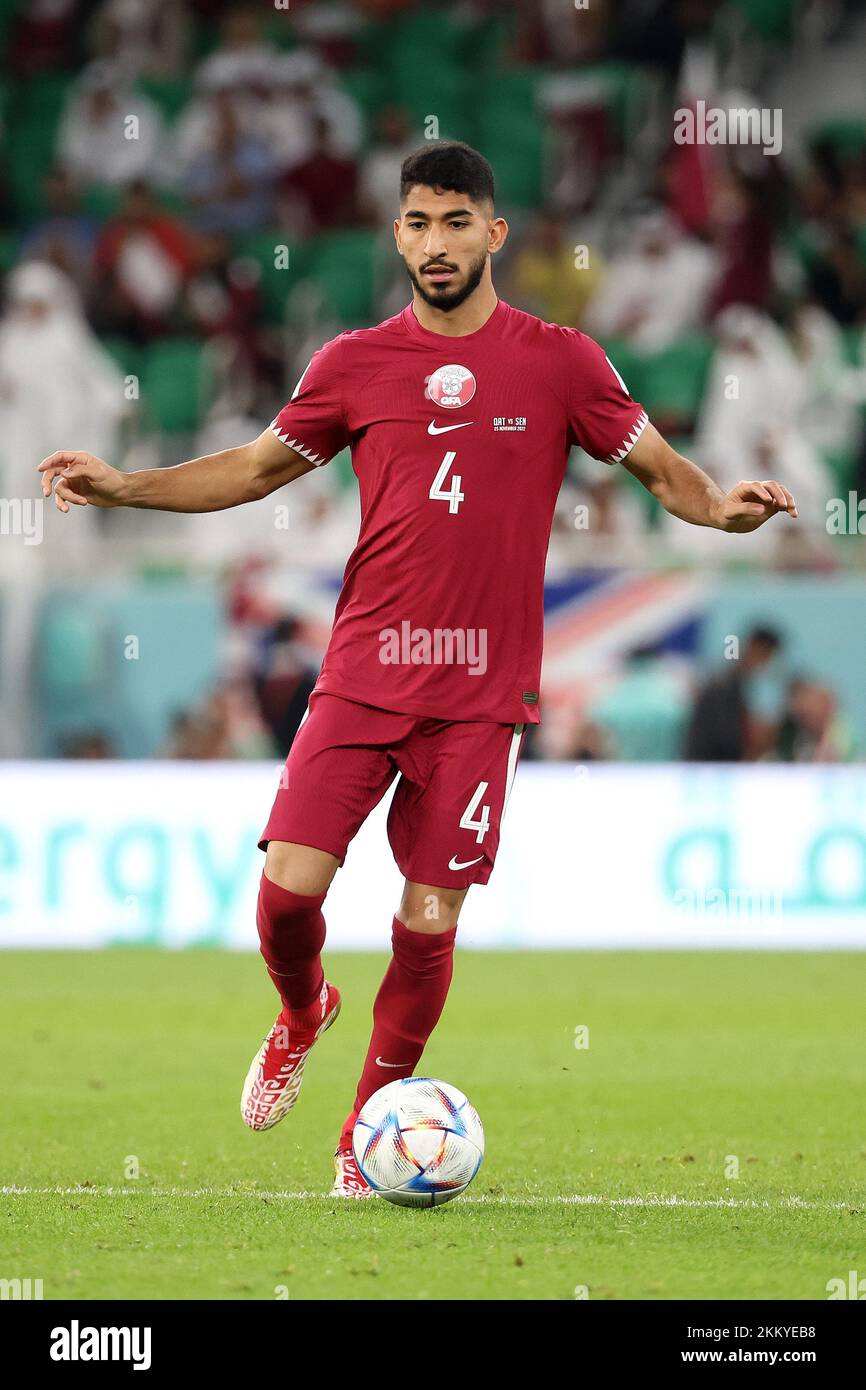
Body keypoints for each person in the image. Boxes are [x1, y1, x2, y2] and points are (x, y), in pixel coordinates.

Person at [38, 141, 799, 1198]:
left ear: (493, 232)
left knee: (427, 919)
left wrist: (718, 508)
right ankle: (304, 1012)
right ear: (394, 234)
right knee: (284, 900)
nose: (433, 243)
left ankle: (363, 1137)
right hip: (362, 673)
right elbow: (255, 469)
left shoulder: (560, 360)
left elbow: (660, 467)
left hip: (481, 699)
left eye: (454, 222)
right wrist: (128, 488)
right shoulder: (352, 362)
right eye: (415, 223)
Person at [684, 626, 784, 763]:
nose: (767, 665)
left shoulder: (731, 684)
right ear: (755, 649)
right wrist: (756, 739)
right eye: (768, 657)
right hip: (709, 772)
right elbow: (727, 741)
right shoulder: (724, 688)